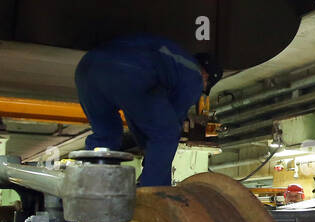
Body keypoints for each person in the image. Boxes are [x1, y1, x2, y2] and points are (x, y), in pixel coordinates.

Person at [74, 35, 221, 187]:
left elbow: (138, 115)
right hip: (128, 70)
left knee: (106, 136)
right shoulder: (194, 74)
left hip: (87, 69)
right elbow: (171, 120)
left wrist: (147, 147)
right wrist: (154, 155)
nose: (200, 90)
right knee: (167, 133)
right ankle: (154, 195)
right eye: (204, 86)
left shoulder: (172, 57)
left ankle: (93, 188)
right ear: (206, 75)